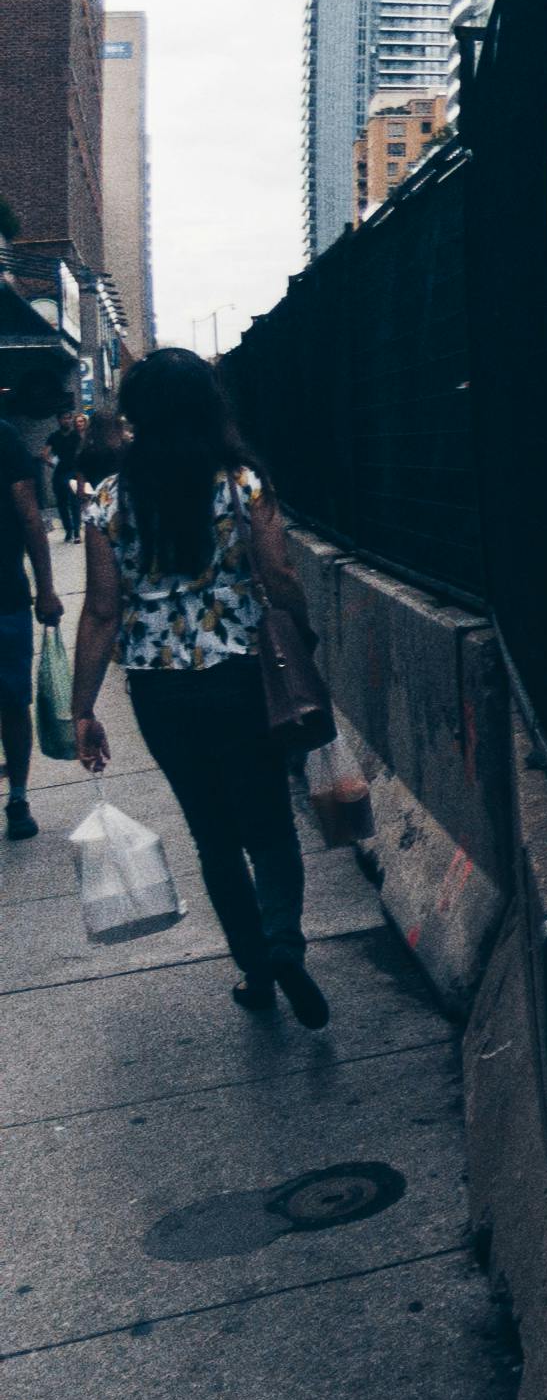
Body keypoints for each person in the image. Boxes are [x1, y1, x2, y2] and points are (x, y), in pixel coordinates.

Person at [66, 350, 328, 1024]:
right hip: (244, 678)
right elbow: (279, 576)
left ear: (139, 414)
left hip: (161, 692)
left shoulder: (107, 500)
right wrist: (301, 634)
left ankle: (255, 971)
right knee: (268, 824)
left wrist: (82, 707)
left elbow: (100, 609)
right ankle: (284, 945)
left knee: (213, 836)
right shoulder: (242, 482)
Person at [1, 415, 59, 840]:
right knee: (12, 703)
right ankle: (18, 799)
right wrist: (46, 589)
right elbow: (30, 518)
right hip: (6, 597)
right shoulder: (4, 437)